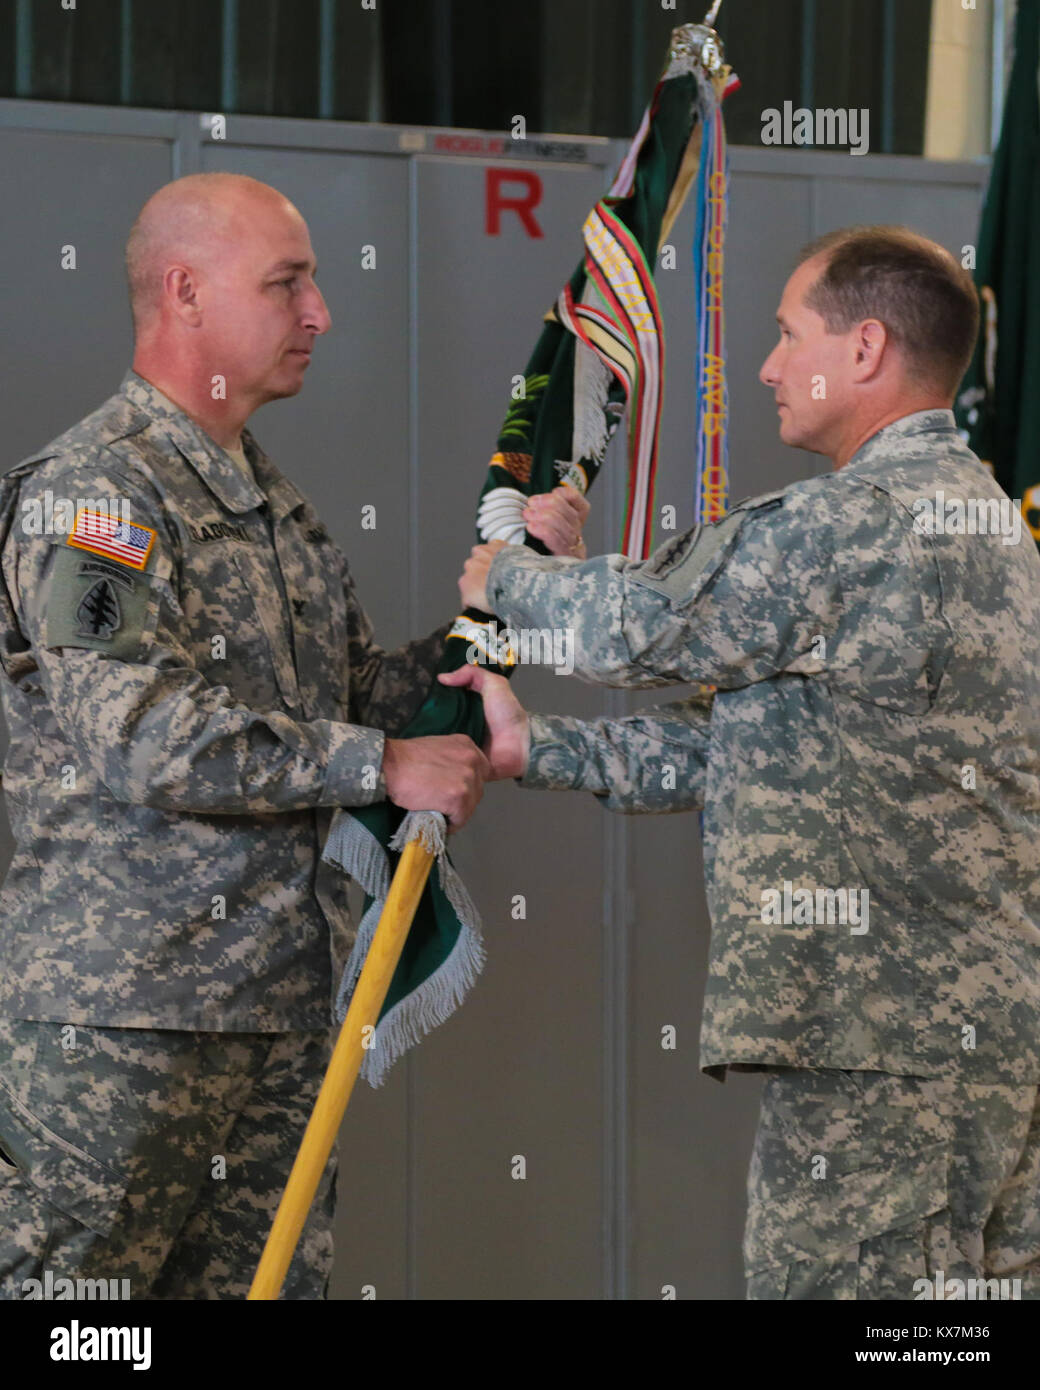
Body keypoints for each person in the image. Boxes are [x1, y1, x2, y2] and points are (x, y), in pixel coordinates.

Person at [0, 171, 589, 1301]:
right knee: (79, 1314)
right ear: (184, 292)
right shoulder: (94, 499)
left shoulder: (275, 504)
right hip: (126, 1022)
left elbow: (360, 696)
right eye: (287, 283)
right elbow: (143, 735)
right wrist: (380, 764)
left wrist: (516, 597)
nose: (319, 312)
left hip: (274, 1011)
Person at [446, 225, 1040, 1301]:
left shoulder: (859, 519)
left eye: (783, 333)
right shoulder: (982, 519)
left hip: (883, 1052)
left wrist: (511, 577)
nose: (765, 366)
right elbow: (764, 738)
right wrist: (542, 747)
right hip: (978, 1046)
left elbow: (642, 630)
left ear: (863, 350)